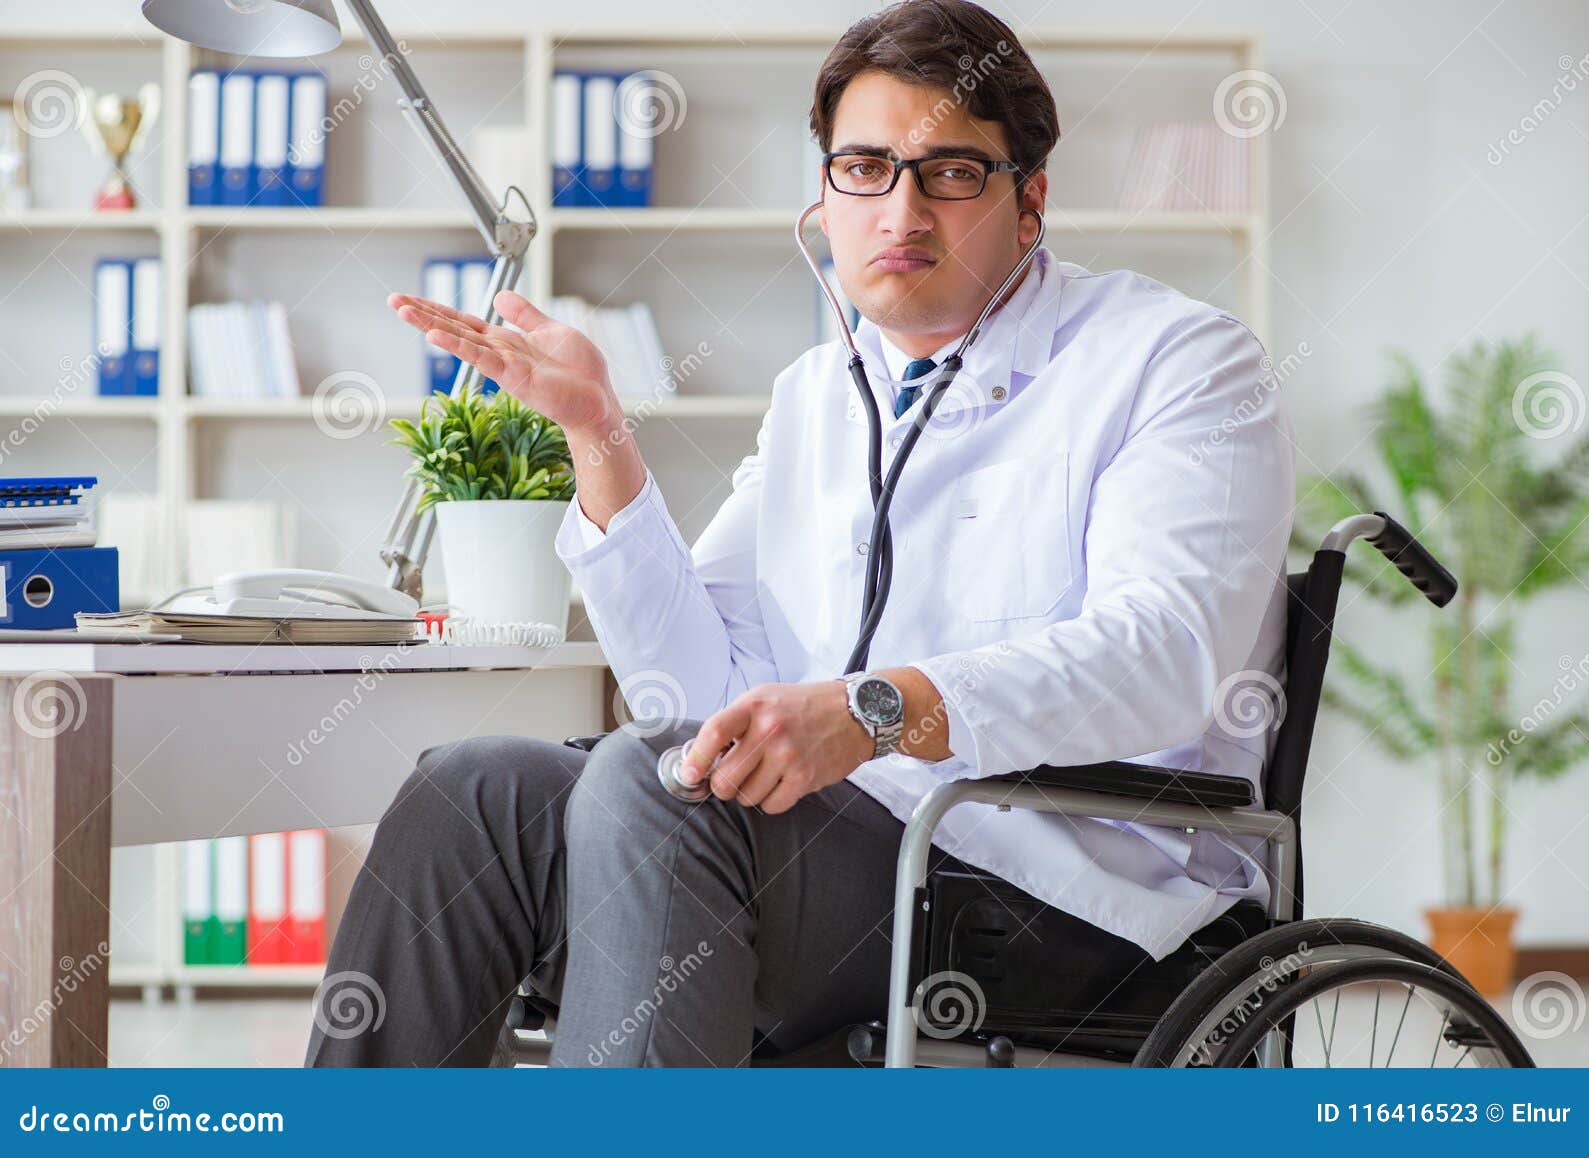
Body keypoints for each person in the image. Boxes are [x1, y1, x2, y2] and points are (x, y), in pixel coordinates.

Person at [305, 0, 1294, 1068]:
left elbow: (1165, 655)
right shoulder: (824, 391)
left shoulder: (1177, 361)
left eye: (950, 172)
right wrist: (600, 437)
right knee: (478, 786)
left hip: (1069, 889)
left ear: (1029, 200)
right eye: (864, 168)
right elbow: (688, 692)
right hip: (851, 852)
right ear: (824, 196)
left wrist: (874, 713)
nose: (901, 210)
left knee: (660, 785)